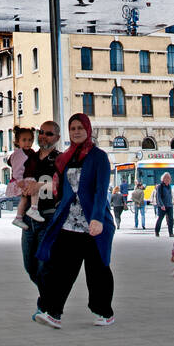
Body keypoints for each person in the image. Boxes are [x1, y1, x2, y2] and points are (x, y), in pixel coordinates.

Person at [33, 114, 116, 328]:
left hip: (93, 224)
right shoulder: (66, 158)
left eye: (80, 127)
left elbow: (100, 190)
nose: (76, 131)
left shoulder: (98, 157)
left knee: (97, 271)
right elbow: (63, 190)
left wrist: (97, 218)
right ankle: (53, 312)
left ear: (88, 130)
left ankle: (104, 312)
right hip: (69, 223)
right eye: (72, 128)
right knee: (62, 270)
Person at [21, 121, 62, 299]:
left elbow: (64, 185)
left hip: (48, 216)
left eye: (49, 133)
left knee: (44, 264)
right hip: (28, 217)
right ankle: (48, 296)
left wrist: (40, 186)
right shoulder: (30, 158)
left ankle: (47, 303)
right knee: (30, 266)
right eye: (41, 132)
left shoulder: (60, 159)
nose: (43, 136)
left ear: (57, 138)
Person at [154, 172, 174, 237]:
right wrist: (161, 205)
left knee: (171, 219)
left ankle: (171, 233)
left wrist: (172, 202)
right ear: (163, 179)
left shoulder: (169, 186)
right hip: (162, 206)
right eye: (167, 179)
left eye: (169, 179)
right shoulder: (160, 186)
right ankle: (157, 232)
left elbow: (170, 195)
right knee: (160, 218)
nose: (168, 180)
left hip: (169, 205)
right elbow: (158, 196)